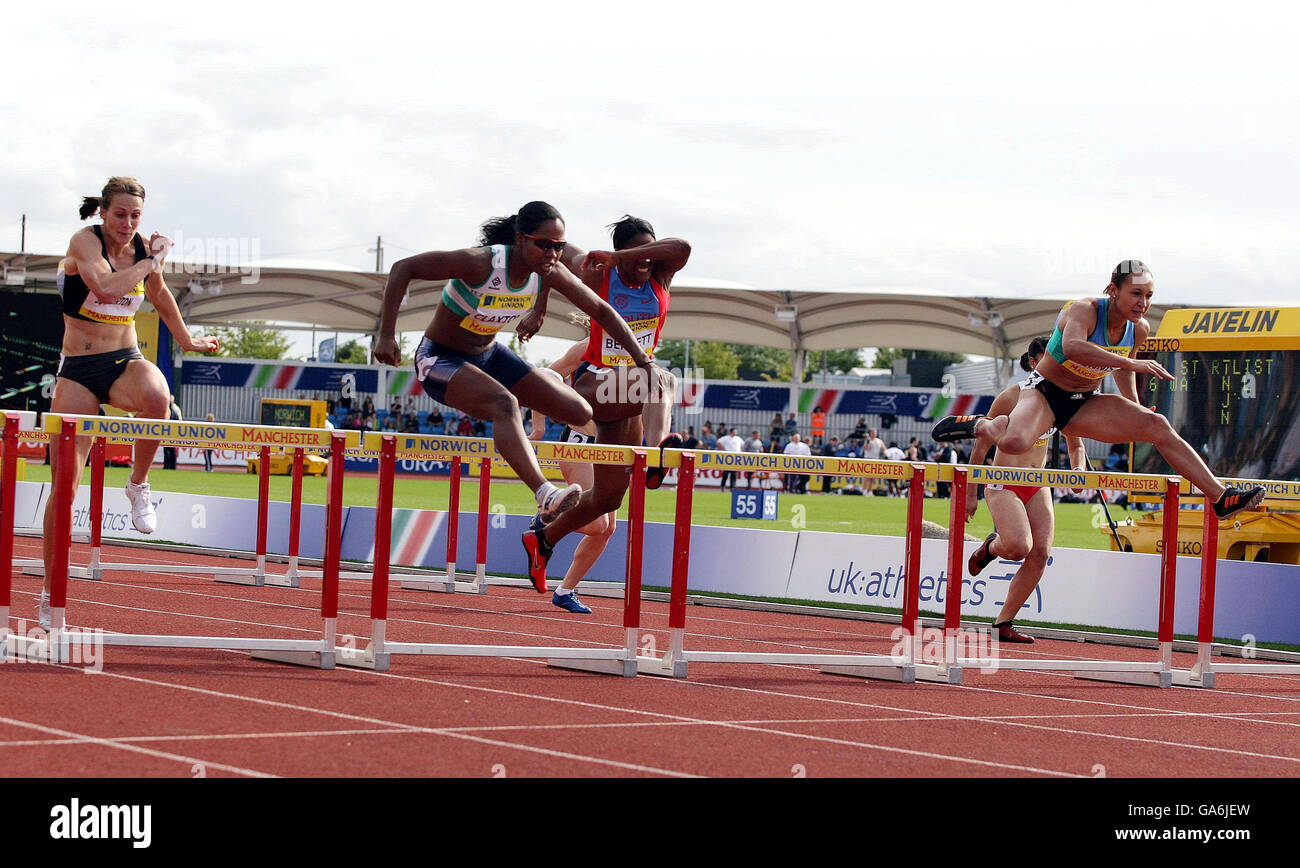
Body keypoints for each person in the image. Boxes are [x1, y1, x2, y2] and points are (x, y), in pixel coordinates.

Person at [374, 201, 661, 555]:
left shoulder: (549, 270)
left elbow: (601, 309)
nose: (553, 253)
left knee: (581, 412)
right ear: (520, 240)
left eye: (559, 246)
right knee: (504, 404)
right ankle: (545, 494)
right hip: (441, 358)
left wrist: (642, 363)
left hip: (490, 355)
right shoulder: (480, 262)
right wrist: (386, 334)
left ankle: (585, 484)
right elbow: (404, 267)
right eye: (544, 244)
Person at [933, 260, 1264, 520]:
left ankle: (1220, 498)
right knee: (1014, 441)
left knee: (1157, 425)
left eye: (1149, 295)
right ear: (1113, 290)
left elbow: (1122, 370)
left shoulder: (1139, 329)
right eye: (1136, 294)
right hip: (1046, 393)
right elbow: (1075, 347)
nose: (1143, 302)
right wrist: (1134, 364)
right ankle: (979, 424)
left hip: (1083, 403)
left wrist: (1135, 406)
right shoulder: (1084, 310)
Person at [39, 176, 219, 629]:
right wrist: (152, 260)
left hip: (123, 360)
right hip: (78, 372)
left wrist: (189, 341)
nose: (127, 223)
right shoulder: (85, 241)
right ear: (103, 212)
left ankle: (138, 484)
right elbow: (102, 288)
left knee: (159, 397)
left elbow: (159, 296)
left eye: (135, 215)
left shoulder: (142, 249)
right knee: (66, 487)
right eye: (120, 214)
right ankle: (49, 590)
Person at [520, 215, 688, 591]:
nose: (645, 262)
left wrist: (629, 255)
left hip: (629, 397)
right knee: (661, 377)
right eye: (636, 255)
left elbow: (682, 248)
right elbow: (551, 260)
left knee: (608, 497)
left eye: (649, 252)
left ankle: (543, 539)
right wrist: (540, 306)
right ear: (620, 254)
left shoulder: (660, 276)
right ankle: (656, 454)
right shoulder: (599, 272)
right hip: (595, 383)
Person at [965, 337, 1087, 643]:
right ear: (1034, 363)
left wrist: (1078, 471)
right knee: (1018, 547)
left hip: (1038, 483)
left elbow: (1077, 444)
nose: (1060, 366)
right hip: (1004, 483)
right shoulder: (1011, 396)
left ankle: (1003, 623)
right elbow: (980, 450)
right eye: (1052, 359)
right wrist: (970, 495)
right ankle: (992, 546)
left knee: (1041, 553)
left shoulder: (1065, 399)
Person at [526, 337, 616, 614]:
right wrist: (538, 428)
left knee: (607, 529)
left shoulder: (636, 351)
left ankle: (565, 591)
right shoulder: (587, 347)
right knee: (597, 525)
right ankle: (545, 519)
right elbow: (540, 379)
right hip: (580, 444)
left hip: (612, 447)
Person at [162, 394, 182, 470]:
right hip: (173, 434)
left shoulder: (166, 412)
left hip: (167, 434)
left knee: (167, 451)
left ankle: (167, 466)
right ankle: (173, 466)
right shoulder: (175, 412)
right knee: (172, 450)